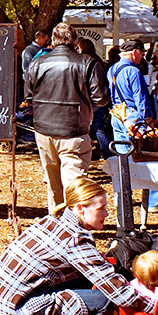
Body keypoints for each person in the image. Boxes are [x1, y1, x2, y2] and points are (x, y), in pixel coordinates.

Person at [0, 177, 155, 315]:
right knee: (107, 300)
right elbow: (115, 289)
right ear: (80, 209)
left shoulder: (52, 220)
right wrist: (153, 307)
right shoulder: (76, 239)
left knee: (87, 279)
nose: (106, 214)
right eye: (100, 208)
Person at [25, 23, 109, 214]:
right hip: (74, 131)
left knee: (53, 183)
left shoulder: (37, 63)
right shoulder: (88, 63)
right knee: (76, 184)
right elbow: (101, 98)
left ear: (52, 42)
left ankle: (57, 225)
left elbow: (28, 96)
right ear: (76, 42)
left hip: (44, 131)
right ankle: (75, 228)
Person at [107, 39, 158, 213]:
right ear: (134, 52)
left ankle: (120, 197)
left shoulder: (112, 69)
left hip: (118, 115)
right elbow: (140, 97)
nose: (142, 56)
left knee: (122, 158)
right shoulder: (133, 71)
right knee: (149, 156)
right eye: (141, 53)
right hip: (135, 117)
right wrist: (148, 119)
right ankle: (152, 200)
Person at [77, 38, 111, 160]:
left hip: (93, 101)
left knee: (97, 128)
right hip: (100, 100)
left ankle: (105, 152)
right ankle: (104, 152)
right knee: (98, 127)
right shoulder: (97, 60)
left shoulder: (88, 62)